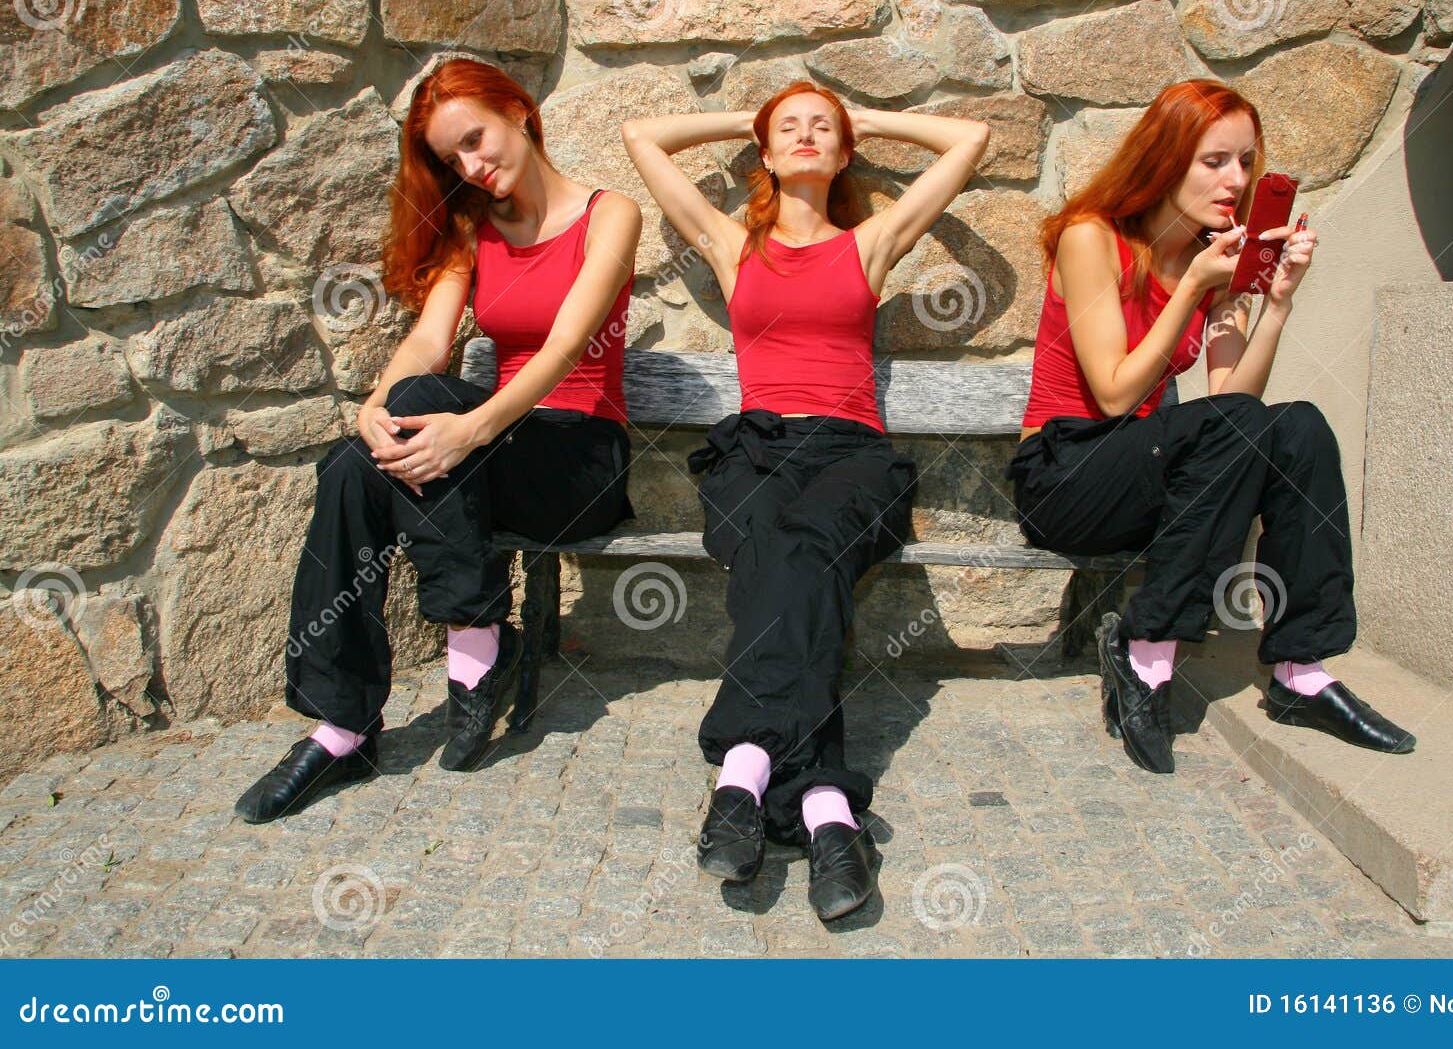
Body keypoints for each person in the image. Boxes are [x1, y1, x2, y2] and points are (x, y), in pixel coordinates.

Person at [236, 58, 640, 823]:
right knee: (354, 464)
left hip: (579, 459)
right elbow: (428, 342)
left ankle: (474, 641)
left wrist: (470, 426)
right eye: (453, 157)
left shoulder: (609, 212)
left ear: (520, 111)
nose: (472, 166)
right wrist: (375, 404)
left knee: (420, 412)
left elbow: (562, 348)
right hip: (491, 454)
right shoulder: (471, 230)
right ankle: (343, 722)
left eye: (477, 140)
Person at [622, 83, 988, 919]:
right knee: (784, 551)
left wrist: (865, 119)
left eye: (823, 126)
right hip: (755, 449)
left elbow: (970, 139)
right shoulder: (729, 244)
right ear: (766, 151)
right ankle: (826, 811)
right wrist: (753, 117)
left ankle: (742, 777)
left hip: (849, 455)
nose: (807, 134)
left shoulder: (871, 242)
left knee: (792, 550)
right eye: (788, 128)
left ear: (844, 149)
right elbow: (642, 134)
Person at [1007, 78, 1415, 775]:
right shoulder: (1092, 238)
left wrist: (1275, 305)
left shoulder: (1216, 259)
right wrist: (1193, 286)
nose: (1236, 180)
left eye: (1247, 162)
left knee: (1299, 427)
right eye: (1214, 160)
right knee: (1240, 424)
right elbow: (1111, 393)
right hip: (1065, 477)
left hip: (1147, 484)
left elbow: (1239, 406)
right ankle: (1148, 653)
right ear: (1164, 162)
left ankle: (1300, 670)